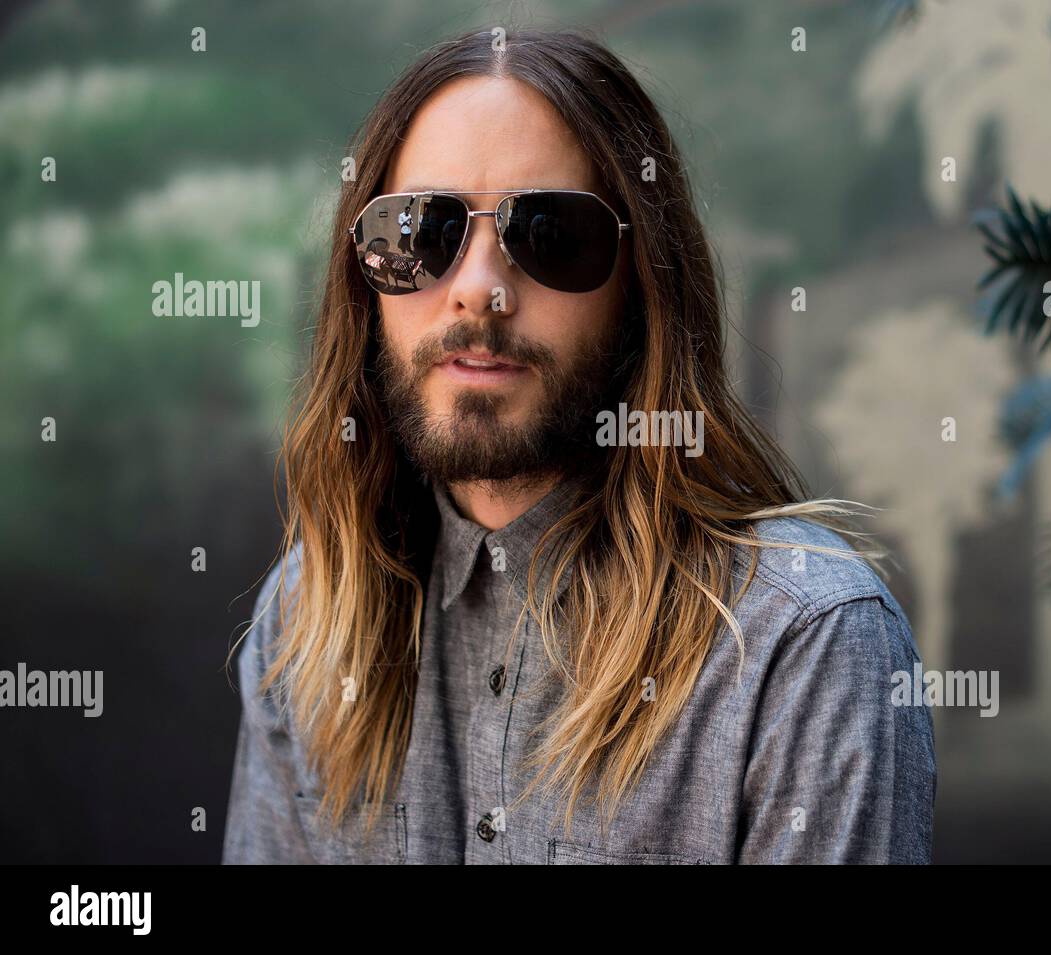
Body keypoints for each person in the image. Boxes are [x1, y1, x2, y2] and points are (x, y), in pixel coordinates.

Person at [221, 27, 936, 865]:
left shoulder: (804, 643)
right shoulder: (308, 620)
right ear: (364, 282)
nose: (479, 290)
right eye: (419, 230)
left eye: (551, 232)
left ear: (642, 288)